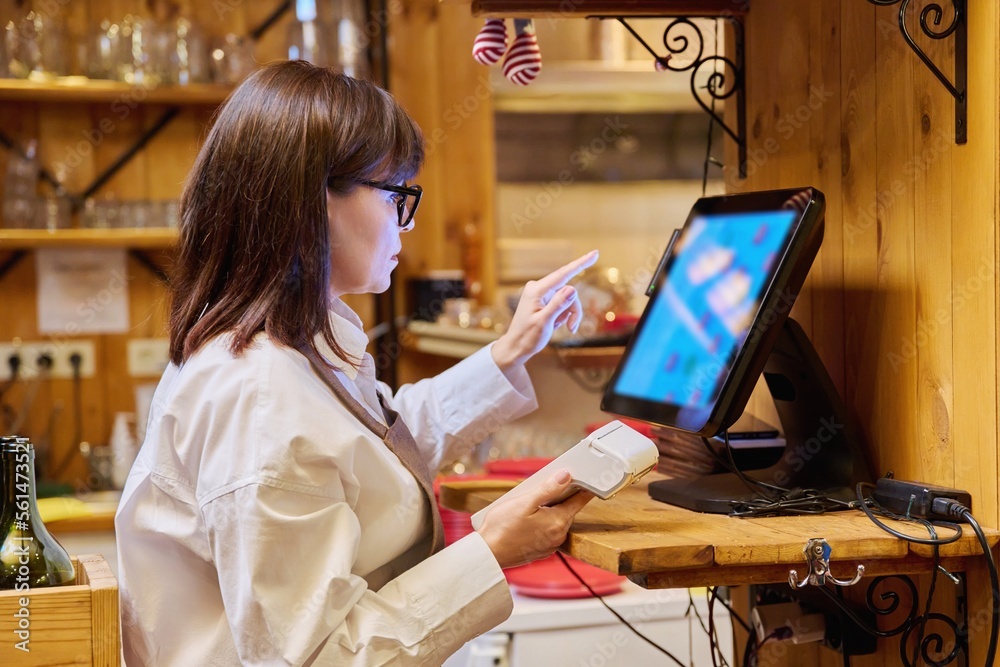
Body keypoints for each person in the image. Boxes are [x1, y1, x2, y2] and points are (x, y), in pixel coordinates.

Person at [115, 60, 600, 666]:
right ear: (313, 200)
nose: (407, 221)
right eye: (396, 194)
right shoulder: (259, 393)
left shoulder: (283, 346)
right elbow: (321, 657)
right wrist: (489, 551)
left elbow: (370, 449)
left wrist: (509, 350)